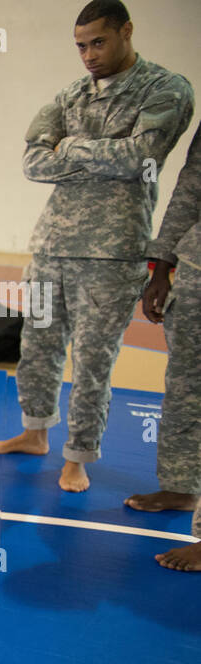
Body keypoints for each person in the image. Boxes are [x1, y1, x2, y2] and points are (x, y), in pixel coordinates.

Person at [0, 0, 193, 492]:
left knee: (94, 360)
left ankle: (77, 457)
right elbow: (32, 162)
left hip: (113, 251)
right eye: (80, 46)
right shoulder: (72, 93)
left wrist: (70, 148)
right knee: (36, 347)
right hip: (51, 243)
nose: (89, 55)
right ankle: (35, 434)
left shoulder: (165, 88)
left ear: (126, 32)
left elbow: (140, 156)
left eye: (98, 42)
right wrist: (96, 154)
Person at [126, 126, 201, 571]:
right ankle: (181, 484)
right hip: (195, 267)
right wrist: (162, 266)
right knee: (185, 386)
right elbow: (191, 189)